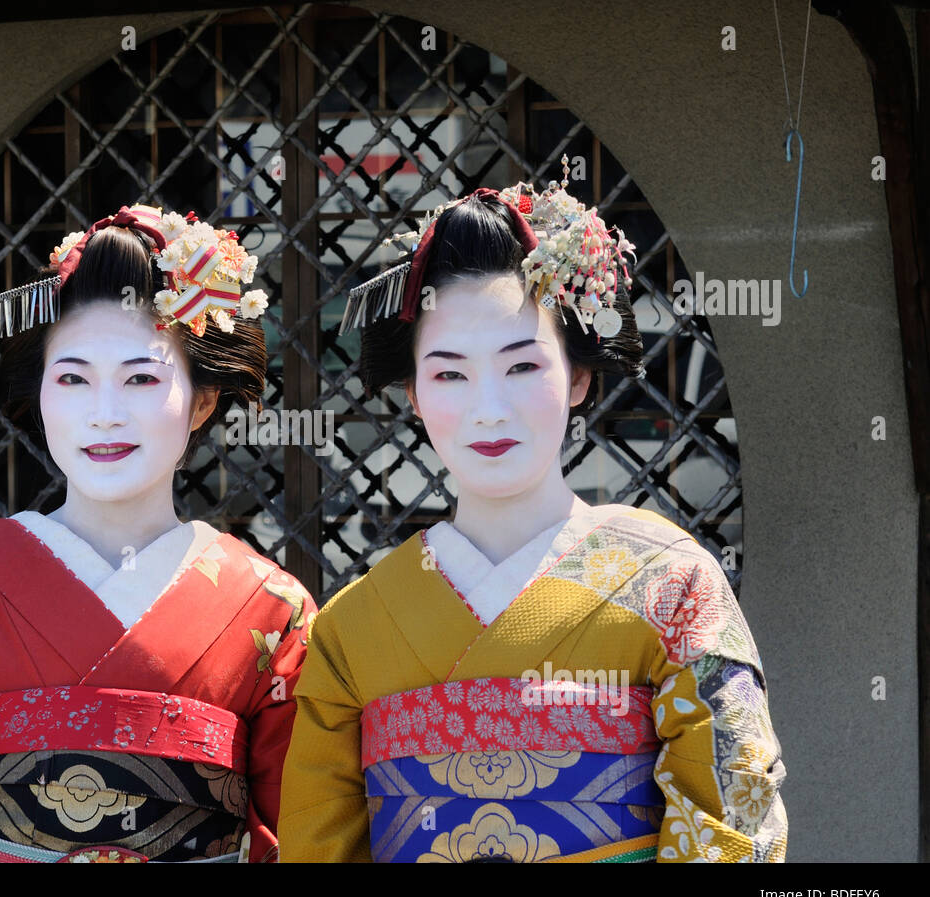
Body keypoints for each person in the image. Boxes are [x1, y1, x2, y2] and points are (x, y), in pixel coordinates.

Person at [277, 167, 787, 862]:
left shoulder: (673, 585)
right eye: (450, 373)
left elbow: (734, 824)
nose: (489, 406)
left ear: (578, 375)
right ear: (415, 393)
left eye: (522, 367)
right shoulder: (349, 629)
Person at [0, 203, 312, 862]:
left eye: (142, 378)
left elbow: (308, 831)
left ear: (203, 400)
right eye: (73, 378)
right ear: (40, 395)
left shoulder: (269, 609)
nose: (105, 414)